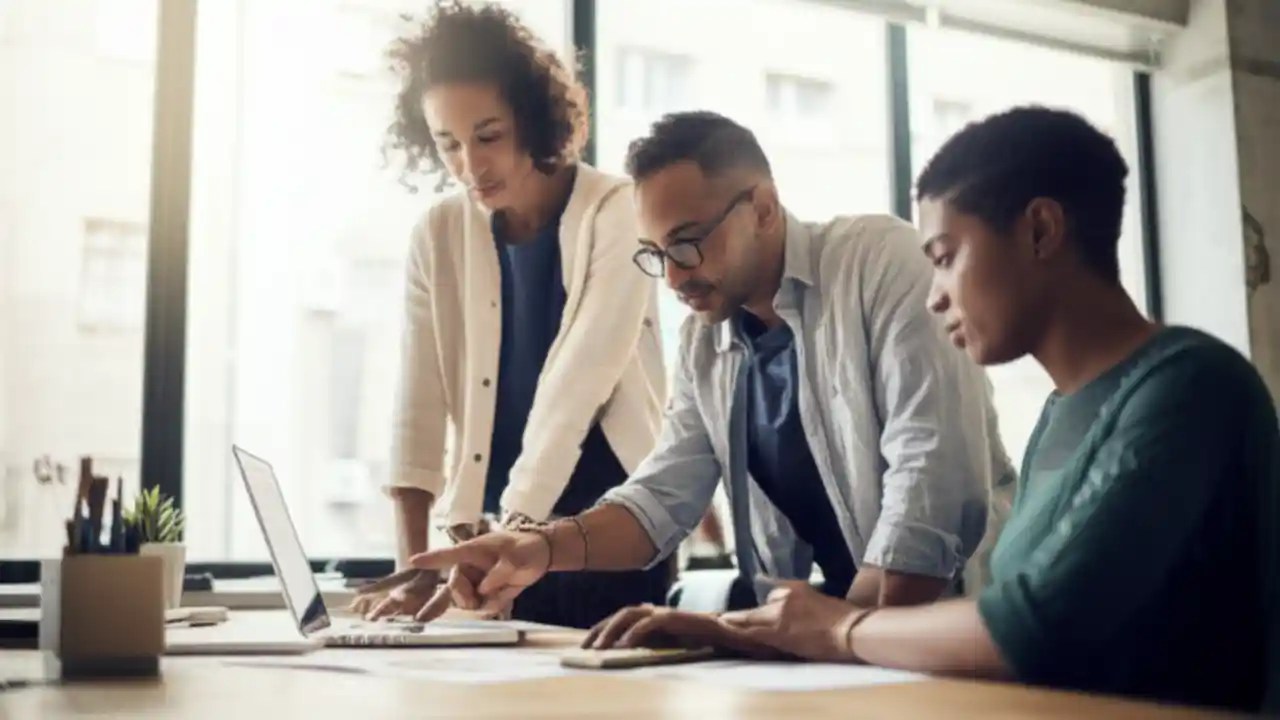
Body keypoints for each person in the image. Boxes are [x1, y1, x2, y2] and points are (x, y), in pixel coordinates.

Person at [587, 107, 1280, 714]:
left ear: (1040, 230)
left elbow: (1031, 626)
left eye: (945, 258)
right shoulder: (1060, 418)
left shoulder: (1189, 388)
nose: (934, 294)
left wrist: (833, 629)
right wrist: (749, 631)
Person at [409, 111, 1011, 619]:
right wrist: (533, 549)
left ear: (765, 208)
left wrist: (835, 640)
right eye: (657, 254)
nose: (673, 277)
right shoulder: (709, 339)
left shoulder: (880, 260)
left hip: (972, 629)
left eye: (689, 242)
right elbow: (662, 498)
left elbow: (929, 483)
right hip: (858, 639)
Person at [349, 1, 670, 629]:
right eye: (449, 144)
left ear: (531, 117)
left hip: (609, 535)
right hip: (494, 543)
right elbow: (415, 414)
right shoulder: (438, 234)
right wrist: (417, 570)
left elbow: (577, 384)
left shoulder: (619, 211)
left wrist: (509, 535)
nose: (470, 165)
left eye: (488, 136)